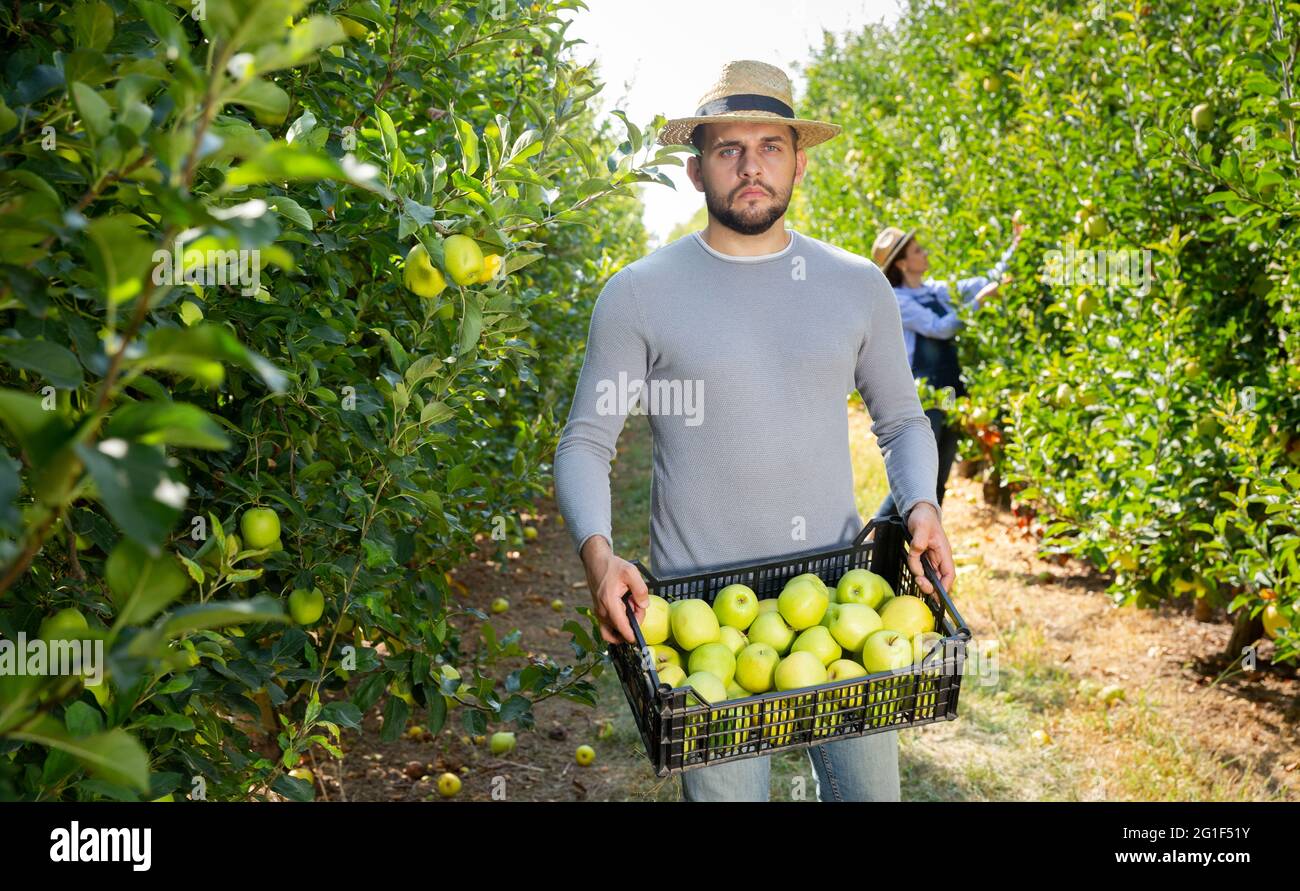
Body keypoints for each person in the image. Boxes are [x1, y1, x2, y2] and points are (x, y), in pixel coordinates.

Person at [552, 60, 957, 802]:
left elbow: (900, 421)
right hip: (698, 623)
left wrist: (923, 504)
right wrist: (598, 557)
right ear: (695, 168)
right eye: (727, 149)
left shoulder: (856, 285)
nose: (751, 167)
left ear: (799, 163)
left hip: (846, 606)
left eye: (770, 147)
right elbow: (586, 440)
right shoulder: (639, 293)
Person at [870, 219, 1023, 522]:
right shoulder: (899, 300)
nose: (925, 253)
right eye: (917, 250)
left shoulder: (936, 291)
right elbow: (940, 328)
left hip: (951, 392)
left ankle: (921, 545)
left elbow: (985, 279)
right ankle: (875, 537)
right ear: (902, 263)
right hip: (925, 396)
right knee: (917, 479)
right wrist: (978, 303)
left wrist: (1017, 245)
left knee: (939, 475)